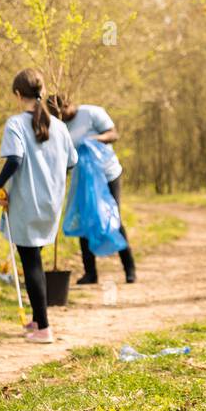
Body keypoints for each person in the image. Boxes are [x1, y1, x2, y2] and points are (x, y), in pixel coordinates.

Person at [0, 68, 78, 344]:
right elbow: (71, 162)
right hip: (51, 203)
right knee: (35, 259)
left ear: (19, 94)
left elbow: (15, 159)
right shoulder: (61, 126)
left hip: (26, 202)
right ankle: (37, 319)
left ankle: (44, 328)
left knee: (31, 262)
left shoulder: (16, 124)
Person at [46, 96, 137, 285]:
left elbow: (113, 134)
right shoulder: (59, 127)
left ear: (68, 104)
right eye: (55, 114)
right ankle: (90, 273)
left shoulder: (92, 112)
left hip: (108, 175)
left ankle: (130, 270)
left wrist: (94, 140)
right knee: (84, 221)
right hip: (84, 180)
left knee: (113, 217)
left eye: (62, 111)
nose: (61, 116)